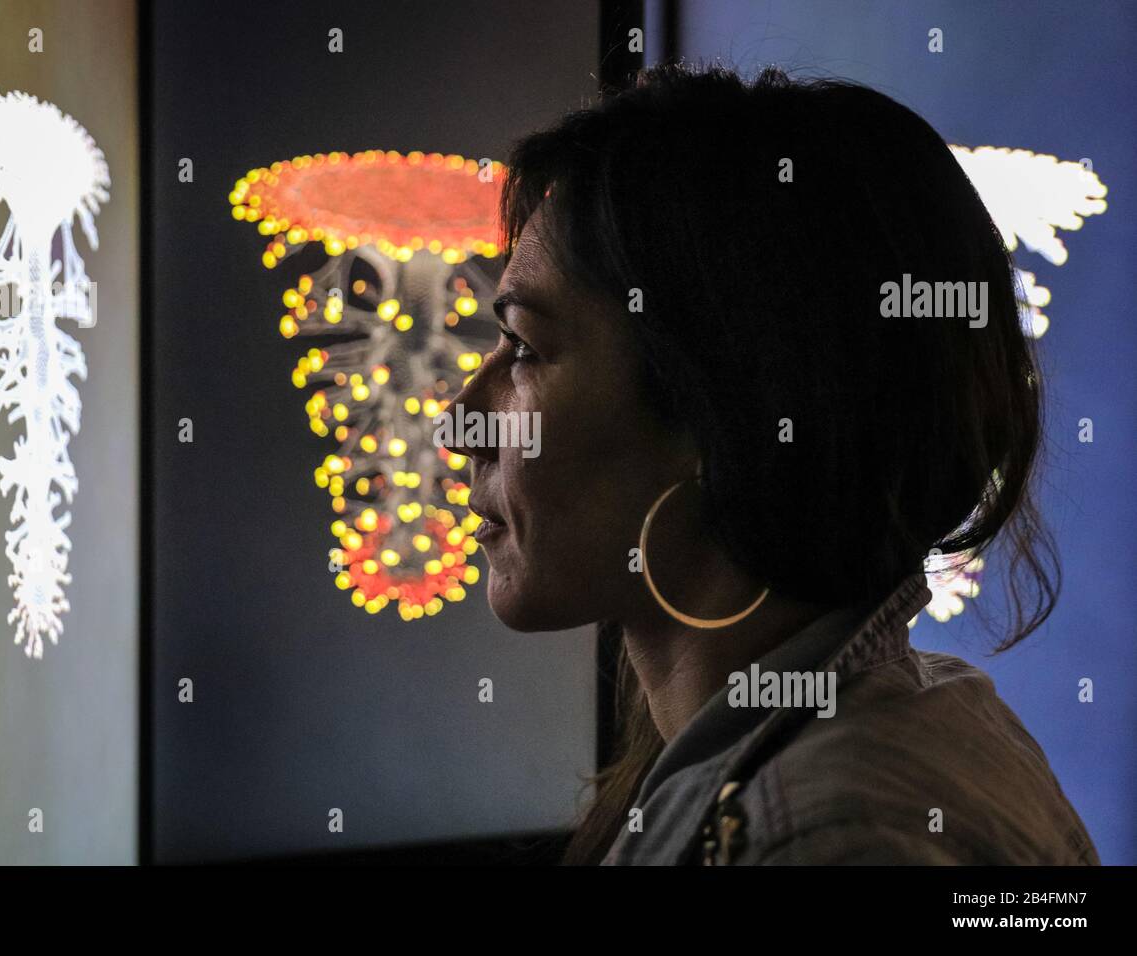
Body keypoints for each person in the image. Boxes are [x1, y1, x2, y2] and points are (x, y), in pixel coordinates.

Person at [445, 62, 1099, 865]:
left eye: (524, 347)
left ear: (721, 414)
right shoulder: (897, 725)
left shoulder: (826, 837)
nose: (459, 421)